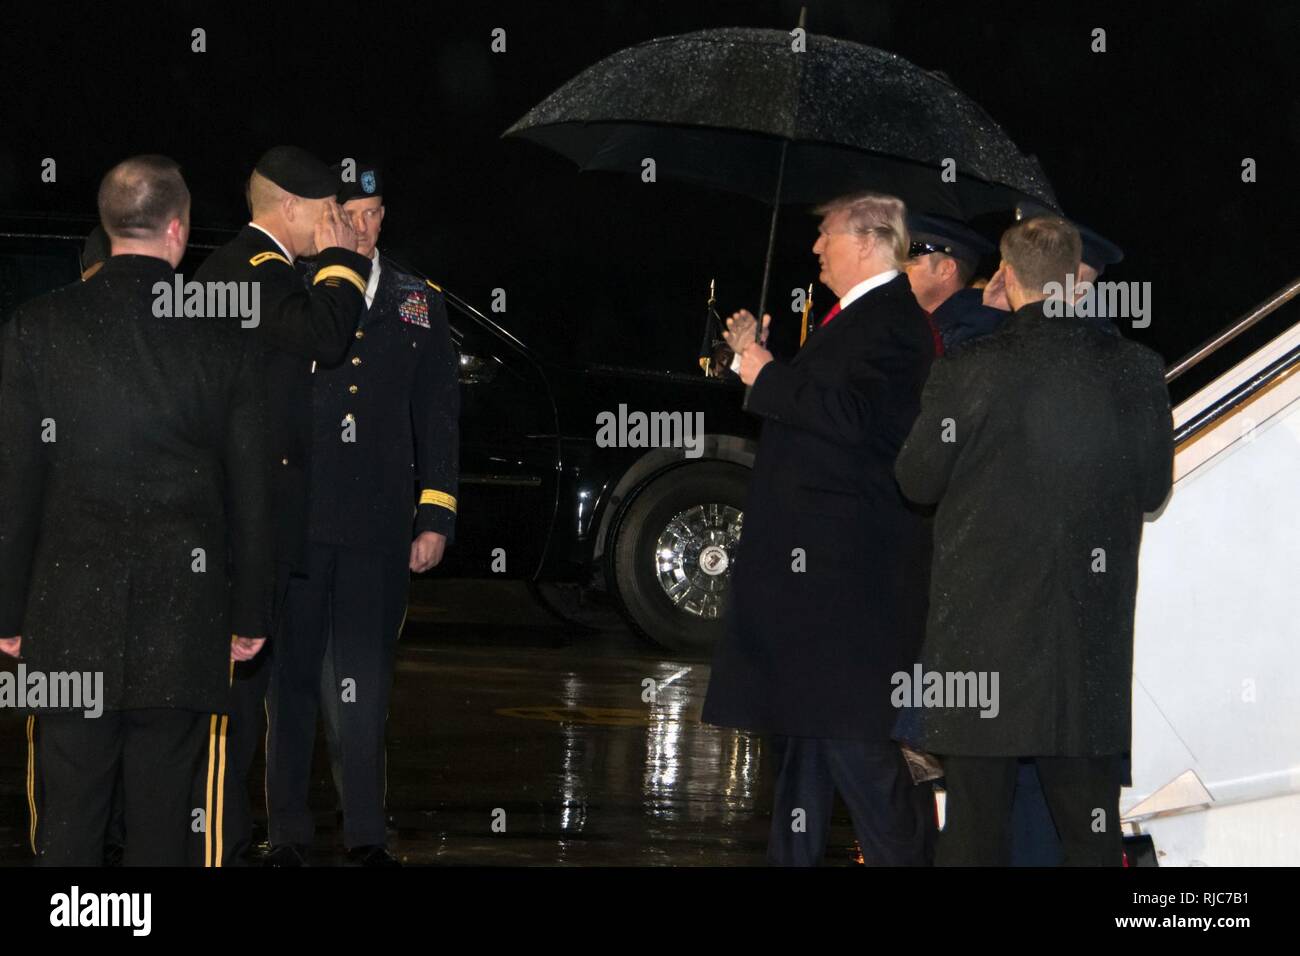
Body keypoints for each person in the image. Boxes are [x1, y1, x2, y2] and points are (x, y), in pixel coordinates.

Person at [0, 155, 272, 866]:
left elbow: (16, 483)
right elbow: (251, 492)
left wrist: (7, 615)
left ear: (109, 223)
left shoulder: (38, 327)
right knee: (163, 816)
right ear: (178, 230)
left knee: (72, 812)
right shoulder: (224, 338)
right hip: (185, 616)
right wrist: (250, 615)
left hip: (66, 613)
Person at [894, 216, 1174, 866]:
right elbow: (1152, 488)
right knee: (1090, 835)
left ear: (1008, 279)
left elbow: (916, 479)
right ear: (1078, 283)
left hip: (980, 640)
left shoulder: (969, 368)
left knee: (972, 832)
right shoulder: (1135, 371)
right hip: (1085, 643)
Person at [702, 191, 936, 866]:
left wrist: (768, 374)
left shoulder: (893, 323)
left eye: (826, 235)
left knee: (853, 749)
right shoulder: (854, 319)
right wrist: (758, 357)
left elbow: (858, 423)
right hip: (816, 585)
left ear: (867, 242)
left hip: (846, 586)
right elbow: (822, 419)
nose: (815, 248)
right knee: (805, 747)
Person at [264, 163, 459, 867]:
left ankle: (366, 833)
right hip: (304, 523)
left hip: (378, 528)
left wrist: (434, 515)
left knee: (366, 686)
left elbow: (437, 413)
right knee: (290, 685)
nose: (367, 227)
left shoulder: (416, 300)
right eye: (354, 214)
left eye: (378, 213)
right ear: (328, 218)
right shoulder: (294, 287)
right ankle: (286, 829)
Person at [194, 145, 371, 866]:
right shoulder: (252, 271)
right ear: (291, 208)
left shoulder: (258, 271)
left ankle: (226, 841)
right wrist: (345, 262)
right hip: (234, 530)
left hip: (250, 524)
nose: (335, 223)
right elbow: (326, 339)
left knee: (244, 705)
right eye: (327, 211)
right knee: (227, 715)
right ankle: (214, 847)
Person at [903, 212, 1006, 353]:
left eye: (908, 262)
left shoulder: (975, 336)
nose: (896, 271)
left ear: (946, 269)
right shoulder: (910, 327)